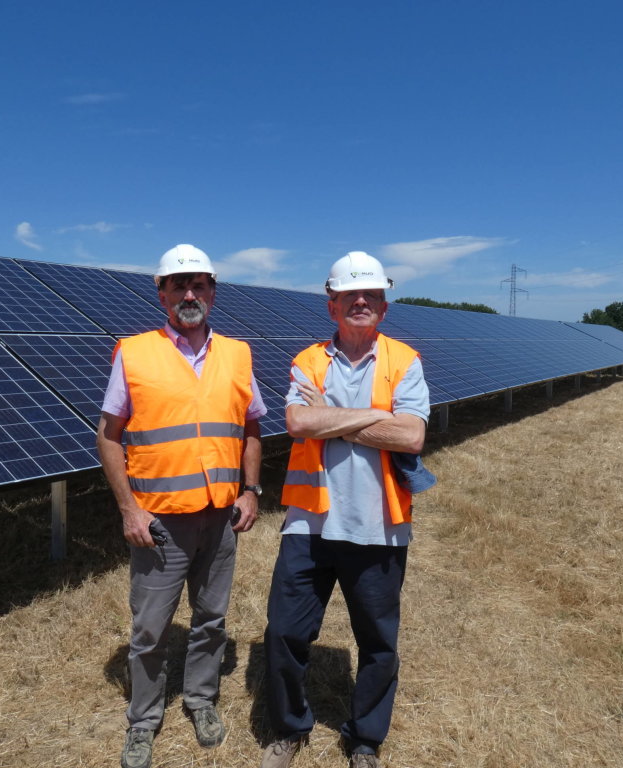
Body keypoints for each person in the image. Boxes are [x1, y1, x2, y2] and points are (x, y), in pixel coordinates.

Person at [96, 244, 266, 768]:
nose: (189, 294)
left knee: (211, 618)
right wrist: (129, 509)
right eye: (179, 285)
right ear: (162, 293)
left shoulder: (238, 353)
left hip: (220, 518)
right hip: (161, 520)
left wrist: (251, 489)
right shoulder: (135, 351)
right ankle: (143, 720)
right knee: (150, 629)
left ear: (213, 291)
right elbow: (108, 436)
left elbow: (252, 427)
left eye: (199, 284)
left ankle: (200, 701)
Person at [260, 252, 430, 768]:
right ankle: (290, 729)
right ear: (331, 303)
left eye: (372, 295)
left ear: (383, 303)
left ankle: (364, 740)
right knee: (285, 632)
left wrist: (329, 416)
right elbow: (296, 422)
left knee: (378, 642)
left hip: (380, 527)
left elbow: (412, 434)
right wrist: (377, 417)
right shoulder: (308, 360)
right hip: (309, 523)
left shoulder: (405, 360)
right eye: (350, 295)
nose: (361, 302)